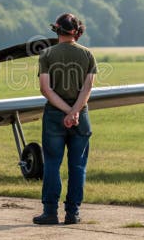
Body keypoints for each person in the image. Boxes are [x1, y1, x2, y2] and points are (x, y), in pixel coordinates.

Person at [33, 13, 97, 225]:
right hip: (81, 116)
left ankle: (50, 212)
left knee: (52, 163)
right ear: (76, 32)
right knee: (78, 166)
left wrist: (66, 111)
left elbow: (45, 88)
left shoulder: (47, 54)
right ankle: (73, 213)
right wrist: (75, 112)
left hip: (54, 116)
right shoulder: (88, 55)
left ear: (57, 30)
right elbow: (88, 88)